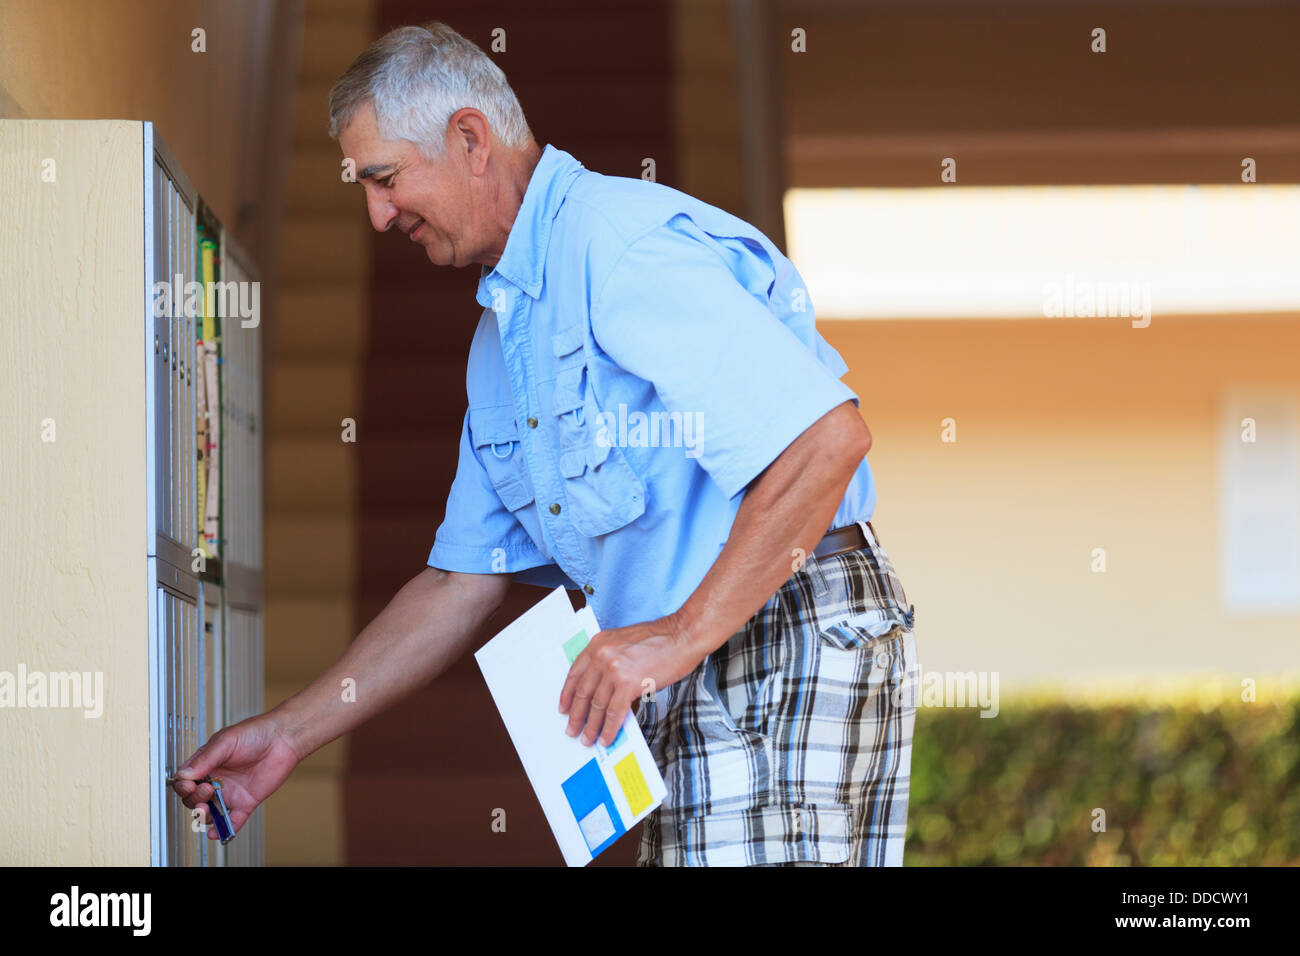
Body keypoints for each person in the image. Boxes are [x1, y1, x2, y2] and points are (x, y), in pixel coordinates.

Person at [173, 19, 918, 867]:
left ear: (469, 139)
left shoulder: (618, 246)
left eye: (383, 179)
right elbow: (460, 582)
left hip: (776, 625)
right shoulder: (501, 340)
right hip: (697, 654)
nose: (377, 216)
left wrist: (675, 634)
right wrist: (287, 735)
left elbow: (827, 439)